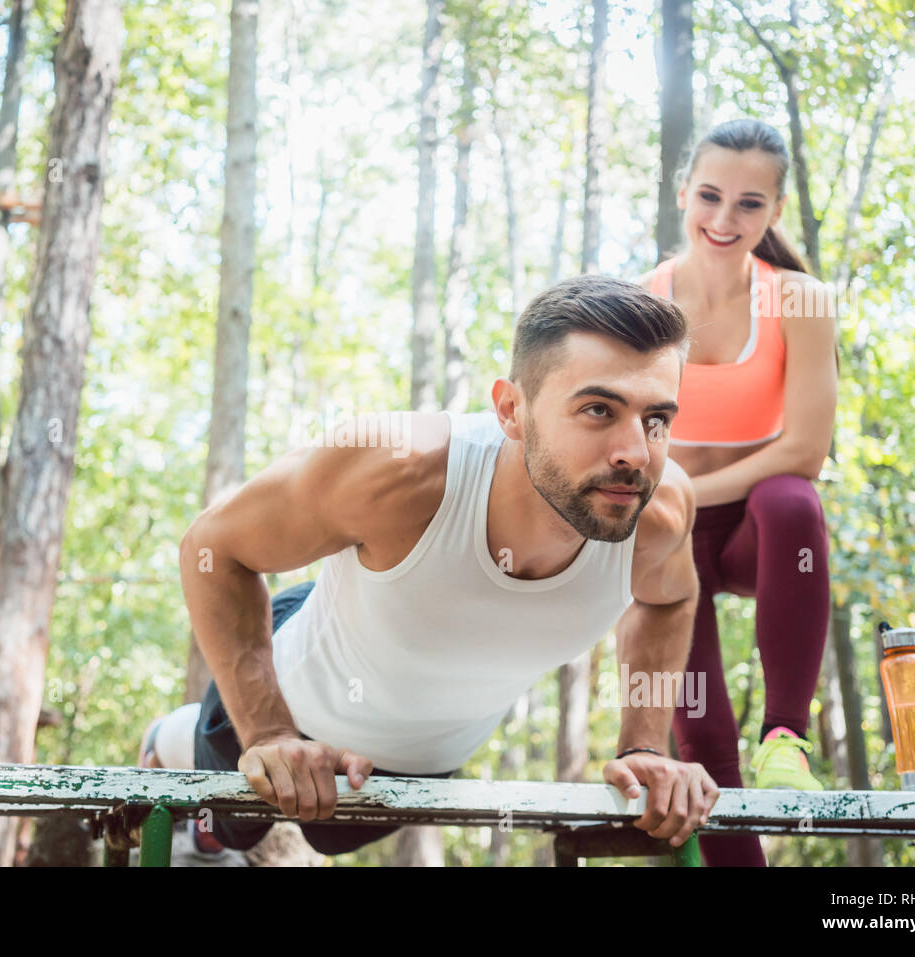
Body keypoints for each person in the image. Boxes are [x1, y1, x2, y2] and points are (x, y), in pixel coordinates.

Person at [141, 275, 720, 860]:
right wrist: (268, 734)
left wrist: (640, 746)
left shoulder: (660, 510)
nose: (636, 453)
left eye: (657, 419)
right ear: (511, 410)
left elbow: (668, 599)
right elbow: (213, 546)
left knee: (334, 837)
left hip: (424, 765)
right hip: (291, 687)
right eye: (599, 409)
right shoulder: (400, 467)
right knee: (225, 829)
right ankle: (170, 743)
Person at [639, 118, 838, 867]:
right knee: (703, 747)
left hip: (762, 536)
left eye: (750, 204)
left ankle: (786, 737)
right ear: (683, 192)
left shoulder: (803, 302)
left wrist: (691, 487)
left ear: (776, 211)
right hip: (667, 532)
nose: (725, 220)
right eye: (711, 196)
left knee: (792, 497)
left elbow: (805, 451)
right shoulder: (639, 301)